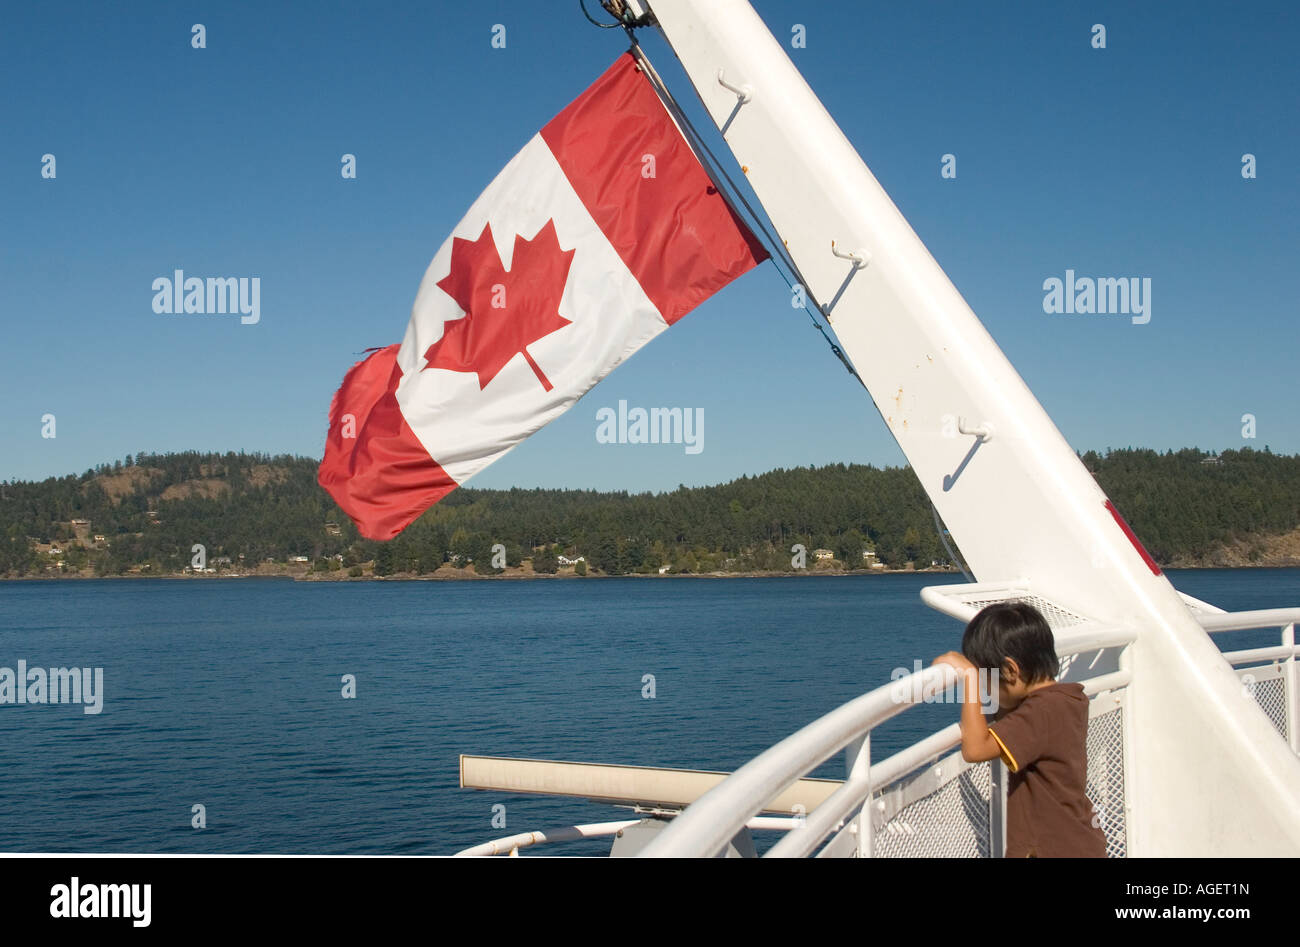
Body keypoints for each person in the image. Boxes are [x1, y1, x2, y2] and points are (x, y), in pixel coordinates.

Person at [932, 600, 1107, 858]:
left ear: (1010, 670)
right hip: (1076, 842)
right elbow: (1008, 715)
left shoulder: (1042, 712)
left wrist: (968, 679)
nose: (985, 688)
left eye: (986, 678)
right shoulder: (1064, 699)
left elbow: (976, 749)